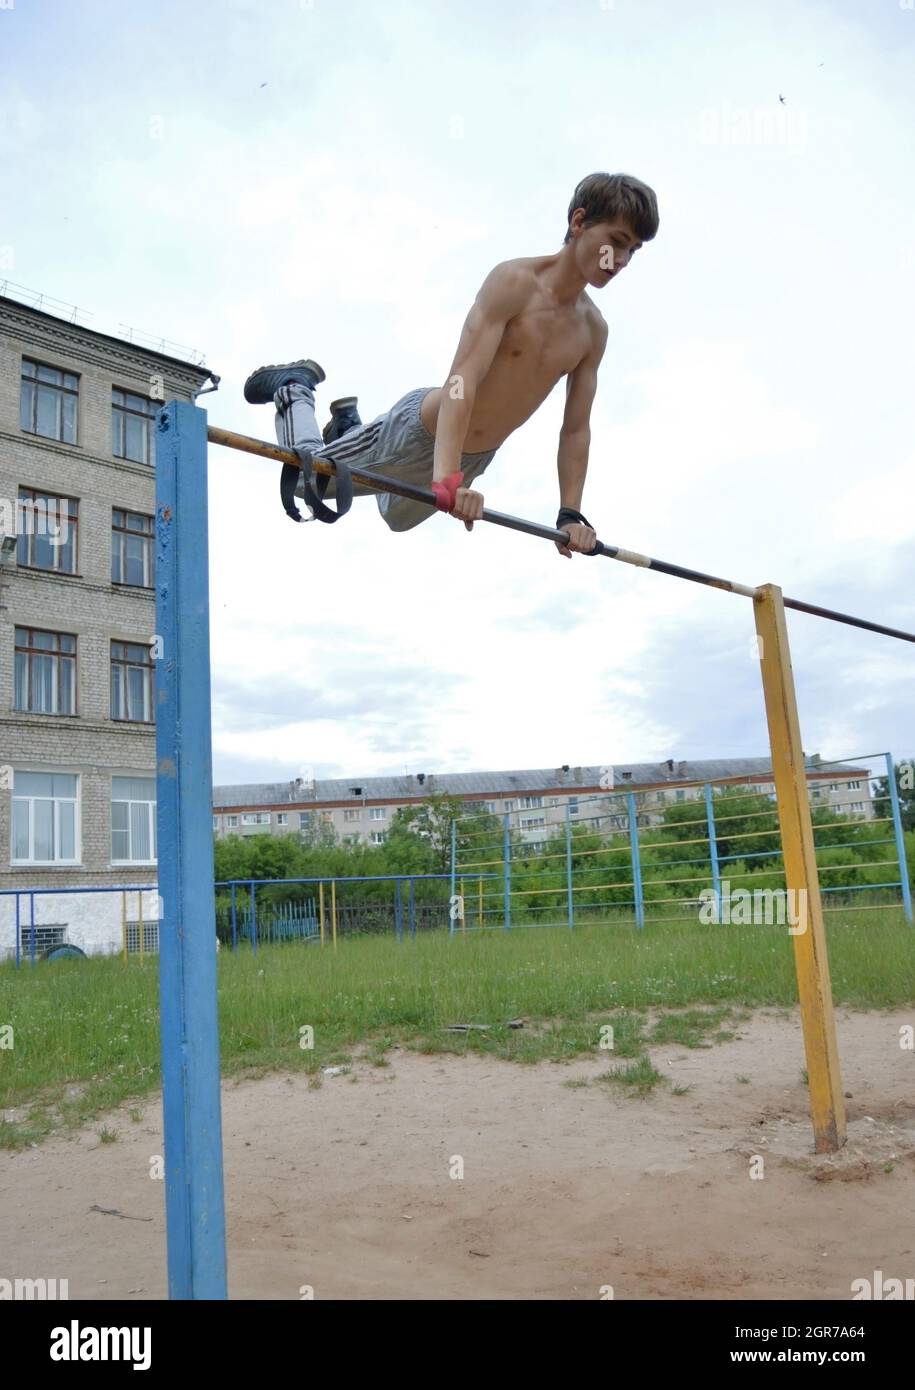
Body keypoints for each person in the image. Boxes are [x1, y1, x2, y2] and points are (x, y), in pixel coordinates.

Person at [243, 171, 659, 557]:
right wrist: (446, 477)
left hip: (474, 458)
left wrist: (571, 512)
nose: (621, 259)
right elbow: (462, 379)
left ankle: (351, 430)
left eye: (632, 251)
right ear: (579, 222)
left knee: (395, 519)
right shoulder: (515, 283)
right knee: (303, 484)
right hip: (425, 431)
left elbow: (576, 428)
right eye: (617, 241)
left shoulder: (592, 331)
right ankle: (294, 390)